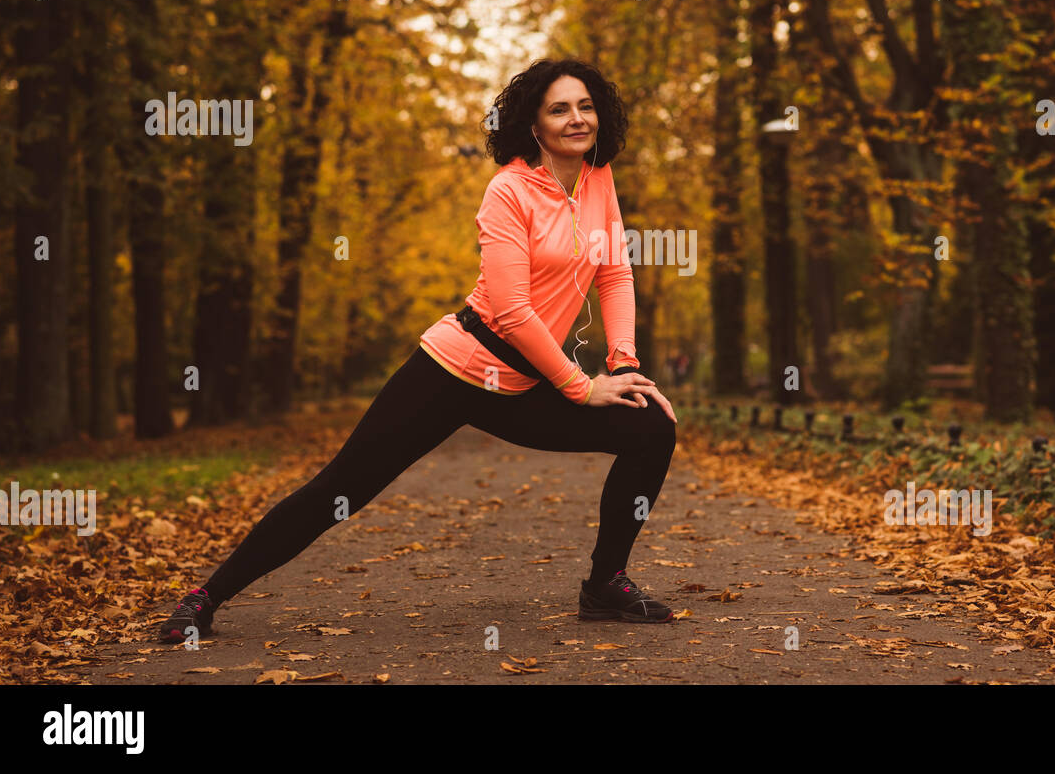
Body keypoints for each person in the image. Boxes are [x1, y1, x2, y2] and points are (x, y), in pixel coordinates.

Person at [156, 58, 679, 642]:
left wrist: (624, 363)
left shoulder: (597, 177)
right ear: (534, 124)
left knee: (650, 424)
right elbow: (510, 310)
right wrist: (581, 386)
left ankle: (604, 585)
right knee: (342, 489)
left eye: (585, 106)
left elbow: (614, 272)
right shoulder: (507, 191)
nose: (576, 118)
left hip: (528, 383)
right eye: (559, 108)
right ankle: (206, 598)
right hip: (457, 367)